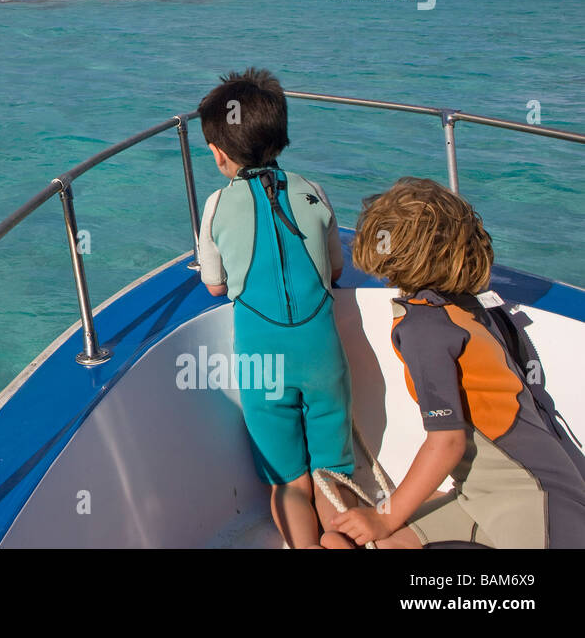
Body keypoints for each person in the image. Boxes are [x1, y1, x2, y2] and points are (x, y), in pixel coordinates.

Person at [335, 177, 585, 548]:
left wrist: (382, 516)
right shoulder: (467, 306)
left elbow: (447, 443)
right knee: (355, 540)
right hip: (484, 498)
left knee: (369, 536)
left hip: (536, 511)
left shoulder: (424, 327)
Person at [196, 68, 357, 548]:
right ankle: (343, 540)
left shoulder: (216, 206)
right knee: (331, 475)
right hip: (323, 357)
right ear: (280, 137)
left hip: (263, 364)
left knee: (289, 482)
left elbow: (214, 286)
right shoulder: (314, 190)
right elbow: (334, 271)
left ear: (220, 153)